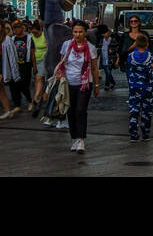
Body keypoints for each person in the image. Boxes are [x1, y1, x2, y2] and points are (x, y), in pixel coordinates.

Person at [55, 19, 100, 153]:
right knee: (71, 111)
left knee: (80, 110)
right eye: (75, 32)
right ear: (72, 32)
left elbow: (94, 68)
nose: (78, 34)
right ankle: (74, 138)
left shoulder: (91, 48)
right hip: (68, 82)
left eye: (80, 32)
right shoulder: (66, 45)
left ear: (85, 33)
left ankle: (80, 140)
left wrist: (97, 85)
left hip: (84, 84)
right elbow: (62, 62)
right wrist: (59, 76)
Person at [125, 33, 153, 141]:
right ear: (147, 44)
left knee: (134, 110)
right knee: (146, 111)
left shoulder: (131, 56)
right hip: (147, 86)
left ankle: (133, 134)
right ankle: (146, 134)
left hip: (134, 86)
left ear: (136, 44)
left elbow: (129, 69)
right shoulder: (150, 56)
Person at [3, 19, 35, 112]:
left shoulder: (29, 38)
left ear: (22, 28)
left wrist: (34, 67)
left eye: (17, 28)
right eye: (14, 28)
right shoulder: (12, 39)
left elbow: (32, 53)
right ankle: (17, 105)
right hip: (15, 65)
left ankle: (29, 101)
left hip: (26, 65)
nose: (16, 30)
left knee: (23, 84)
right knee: (13, 84)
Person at [29, 20, 47, 117]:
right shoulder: (31, 37)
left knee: (39, 78)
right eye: (33, 32)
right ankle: (38, 97)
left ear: (40, 30)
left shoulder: (45, 36)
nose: (34, 34)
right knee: (36, 80)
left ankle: (35, 98)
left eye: (36, 32)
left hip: (43, 60)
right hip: (33, 61)